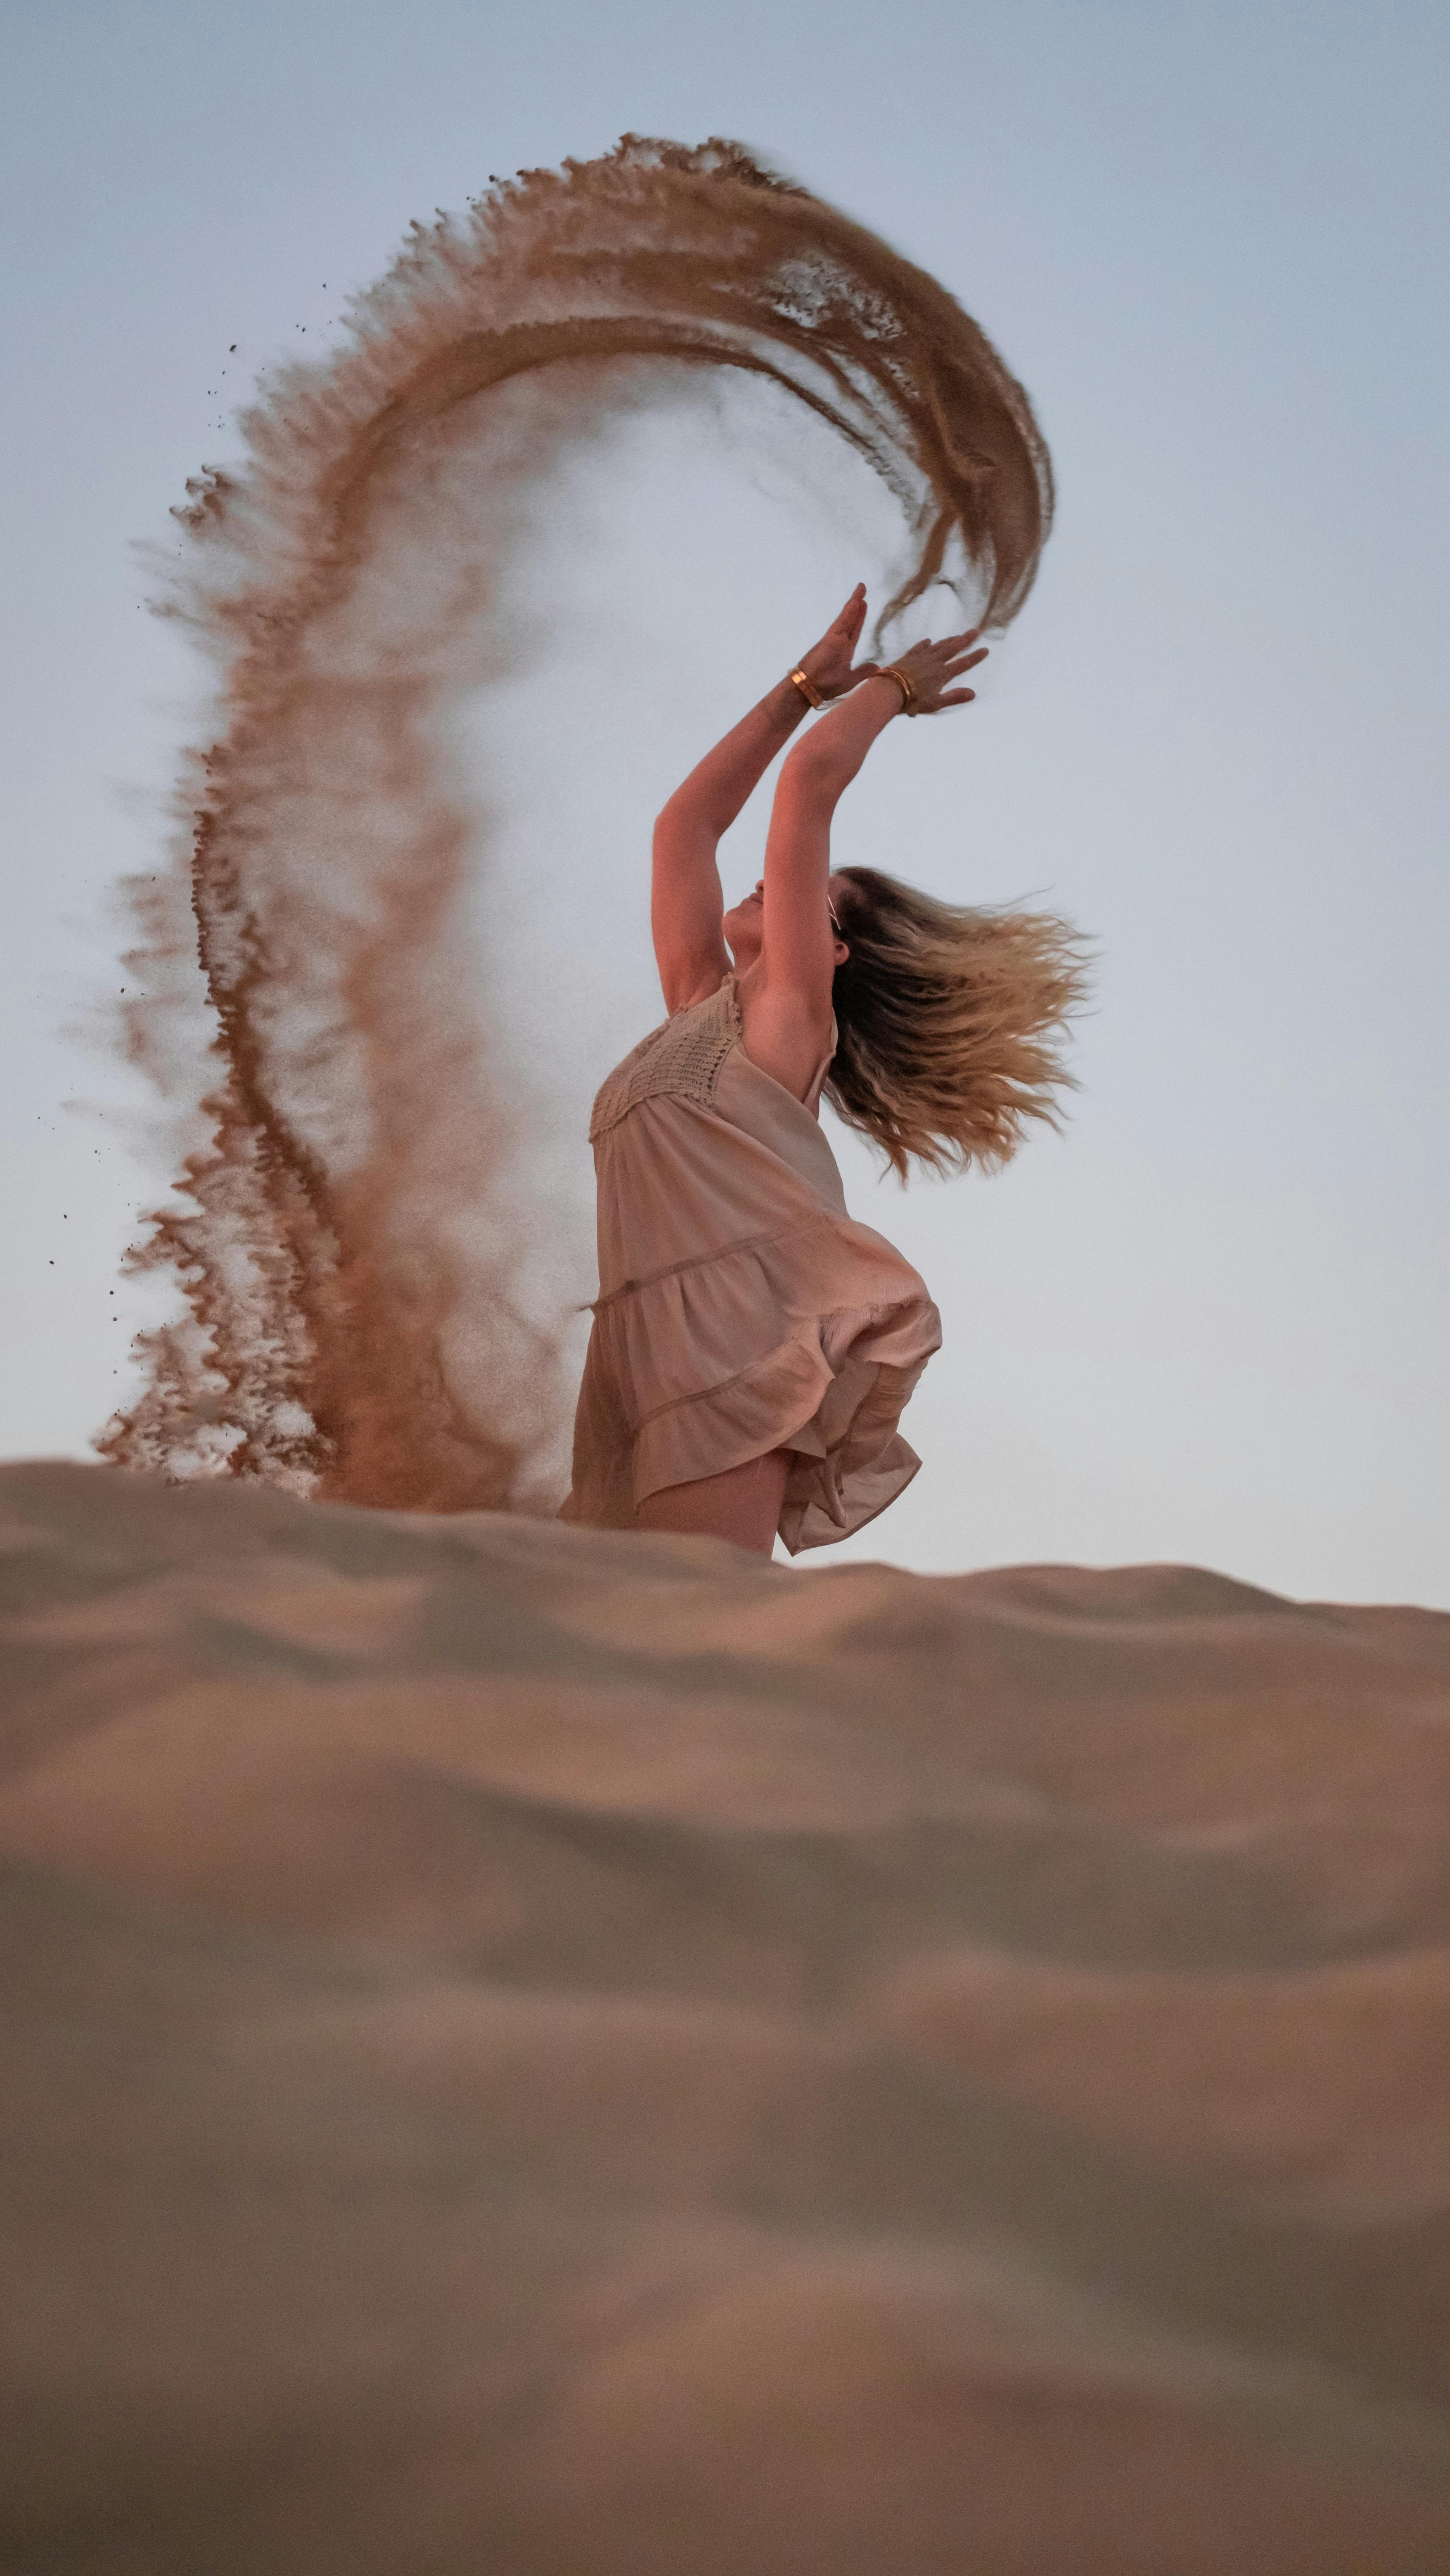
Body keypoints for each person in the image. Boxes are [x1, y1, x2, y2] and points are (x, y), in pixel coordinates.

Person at [561, 583, 1084, 1557]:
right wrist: (799, 688)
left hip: (737, 1338)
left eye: (810, 895)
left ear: (831, 951)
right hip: (637, 1342)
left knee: (692, 1622)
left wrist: (892, 688)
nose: (772, 882)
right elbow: (684, 830)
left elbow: (807, 790)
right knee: (619, 1635)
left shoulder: (788, 1016)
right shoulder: (695, 1009)